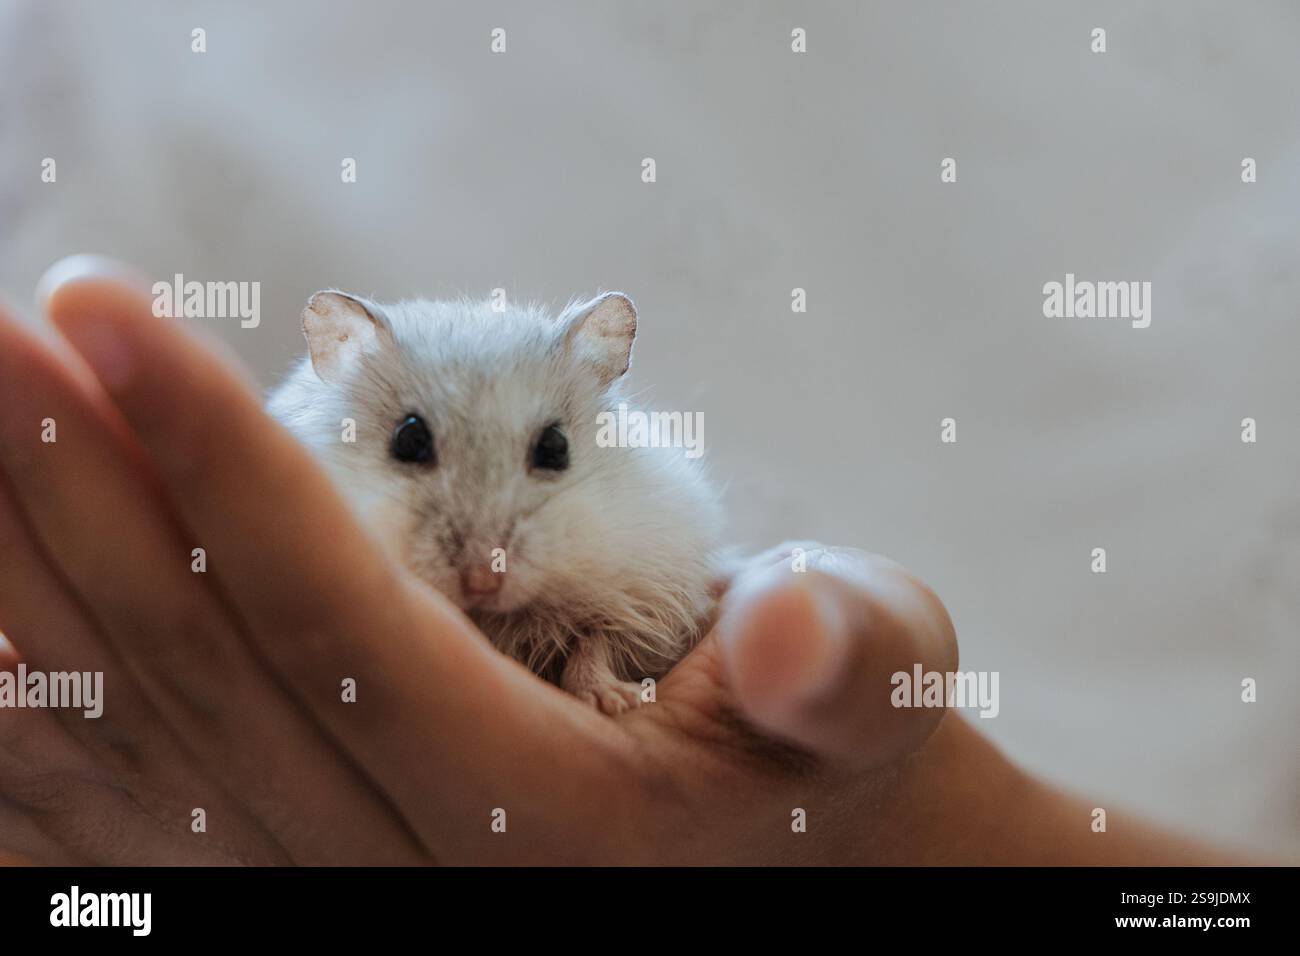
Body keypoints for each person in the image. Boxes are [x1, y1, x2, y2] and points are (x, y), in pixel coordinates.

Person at [0, 259, 1254, 865]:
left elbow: (674, 597)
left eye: (547, 457)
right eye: (416, 449)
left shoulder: (658, 518)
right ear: (337, 369)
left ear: (599, 397)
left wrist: (949, 834)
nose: (483, 550)